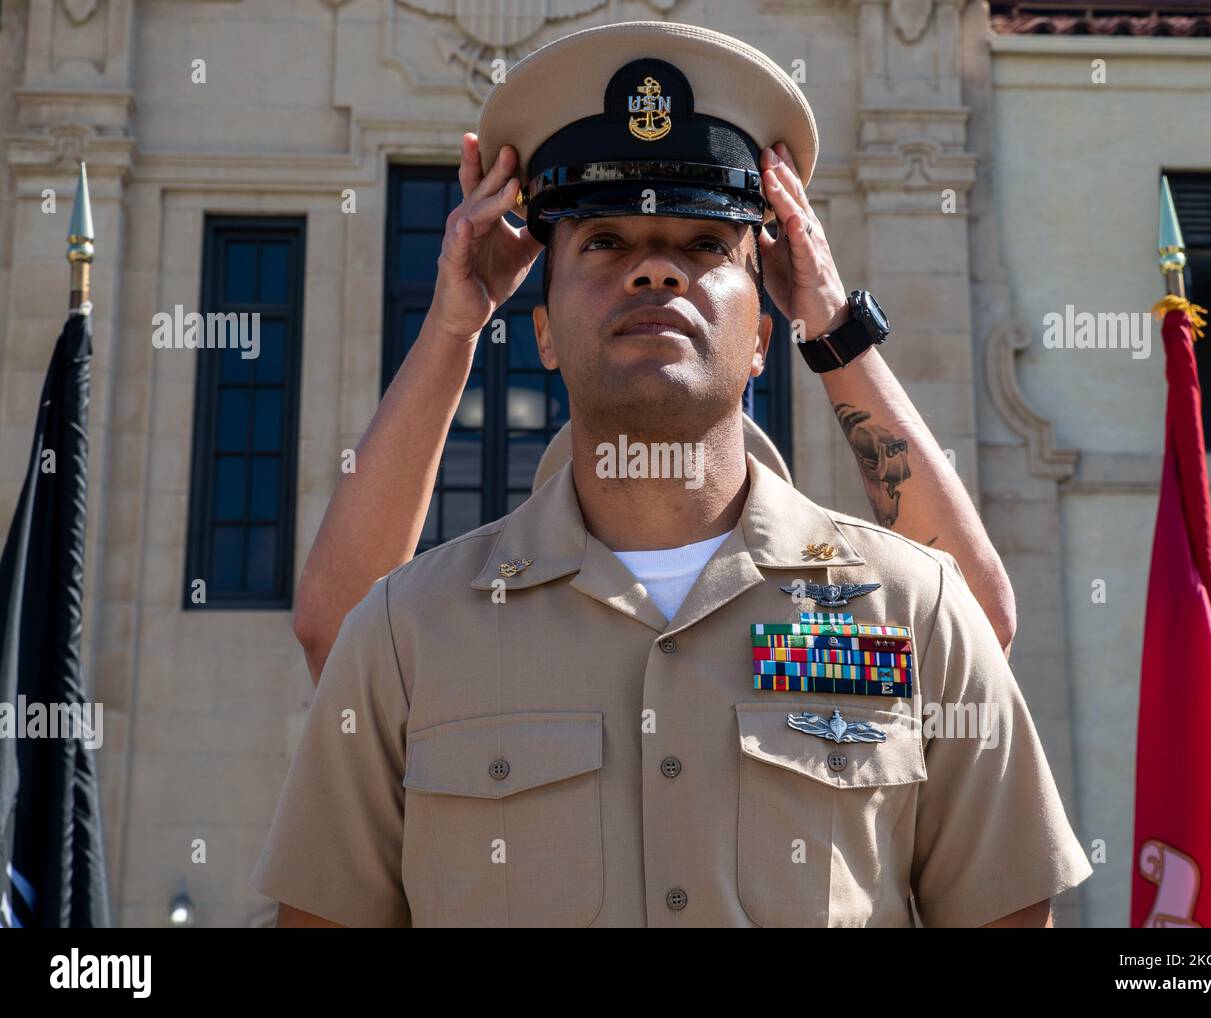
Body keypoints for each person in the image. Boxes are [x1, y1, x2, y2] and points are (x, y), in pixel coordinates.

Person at [252, 20, 1090, 927]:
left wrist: (832, 318)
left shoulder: (901, 609)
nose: (655, 269)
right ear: (538, 332)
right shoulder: (417, 631)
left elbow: (975, 621)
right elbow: (336, 641)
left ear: (767, 334)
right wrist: (454, 324)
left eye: (702, 245)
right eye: (605, 242)